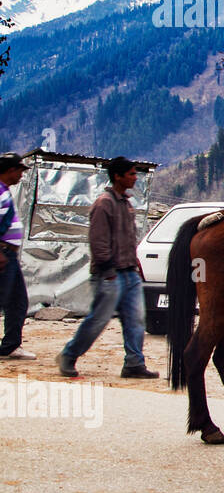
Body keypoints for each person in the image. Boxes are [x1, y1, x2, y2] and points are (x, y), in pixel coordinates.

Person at [59, 157, 158, 378]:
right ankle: (69, 354)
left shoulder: (125, 203)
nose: (134, 178)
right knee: (98, 320)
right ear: (117, 176)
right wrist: (108, 269)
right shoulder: (104, 203)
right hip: (110, 274)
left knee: (136, 318)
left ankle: (134, 363)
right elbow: (98, 241)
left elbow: (129, 239)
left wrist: (135, 266)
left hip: (129, 272)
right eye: (131, 174)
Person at [0, 153, 35, 360]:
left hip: (8, 254)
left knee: (17, 300)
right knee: (7, 299)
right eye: (20, 171)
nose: (21, 175)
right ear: (10, 170)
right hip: (3, 254)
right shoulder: (1, 193)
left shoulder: (4, 192)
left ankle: (11, 345)